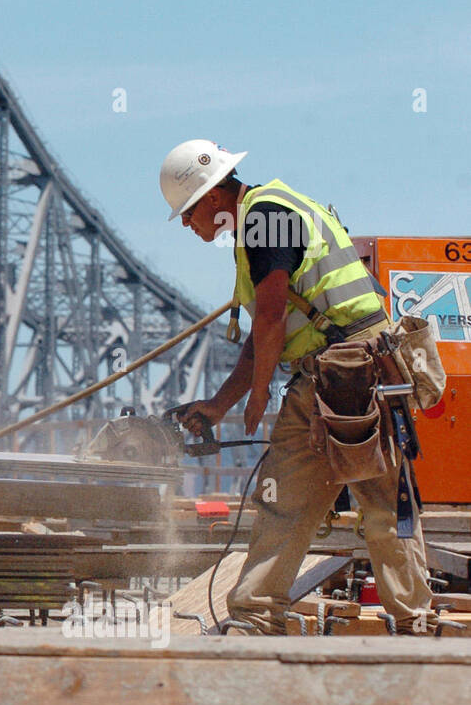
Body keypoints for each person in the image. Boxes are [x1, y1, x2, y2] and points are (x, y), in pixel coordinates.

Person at [159, 139, 433, 634]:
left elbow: (268, 317)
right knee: (285, 497)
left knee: (381, 504)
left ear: (214, 197)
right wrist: (220, 405)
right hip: (330, 374)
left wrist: (260, 394)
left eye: (187, 210)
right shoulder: (264, 222)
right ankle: (257, 617)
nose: (185, 223)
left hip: (354, 370)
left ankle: (415, 623)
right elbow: (270, 332)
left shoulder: (266, 216)